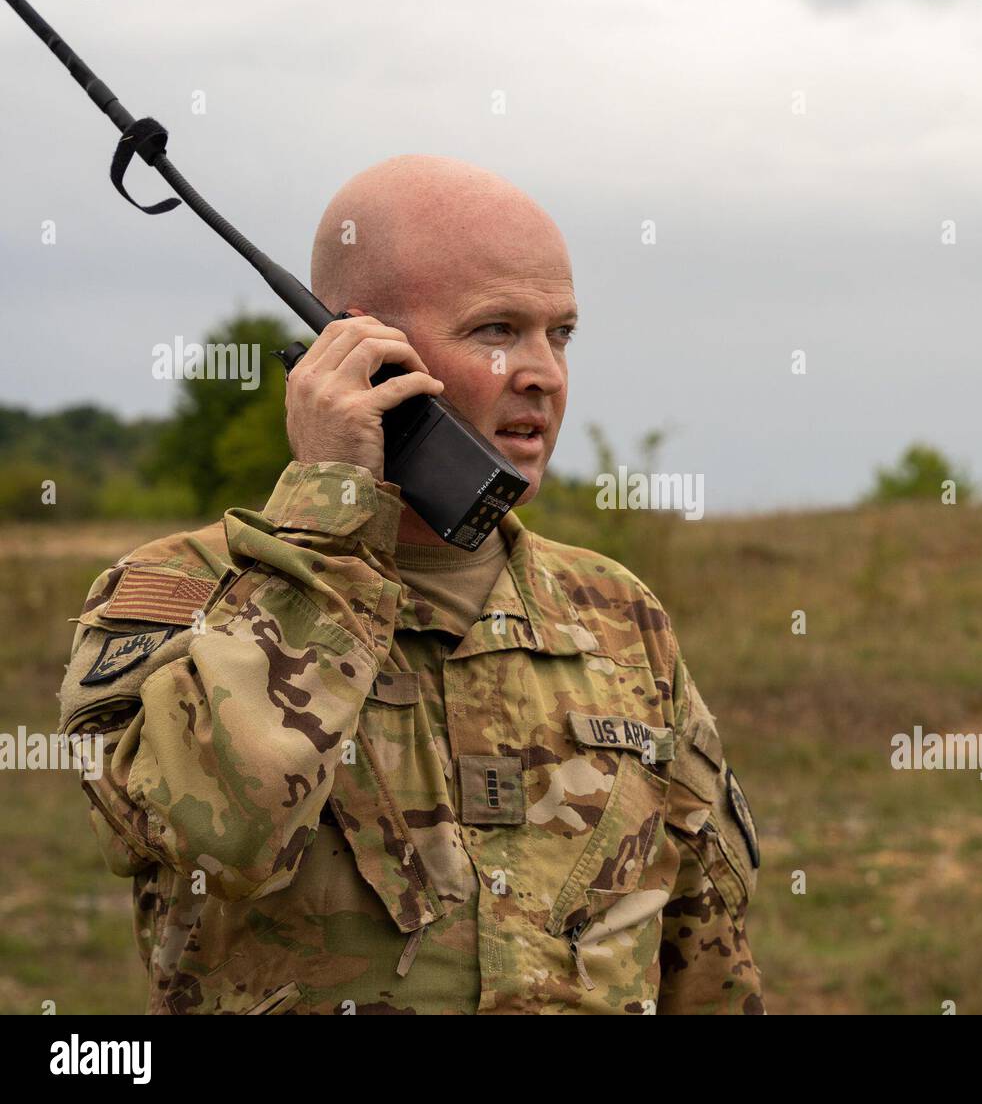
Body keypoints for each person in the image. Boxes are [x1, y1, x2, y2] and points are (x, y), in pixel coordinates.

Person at [57, 155, 764, 1015]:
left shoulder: (617, 613)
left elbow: (705, 946)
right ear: (363, 353)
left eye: (562, 333)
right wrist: (326, 518)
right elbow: (226, 836)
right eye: (497, 330)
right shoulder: (179, 595)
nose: (543, 372)